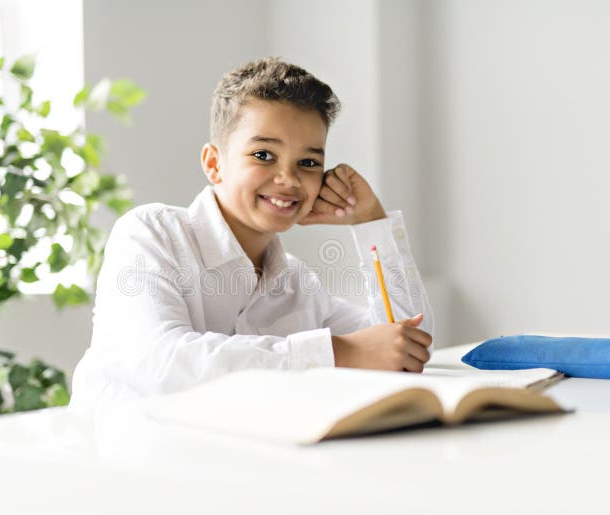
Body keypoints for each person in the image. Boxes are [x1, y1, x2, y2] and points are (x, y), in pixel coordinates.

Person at [71, 58, 434, 406]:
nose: (289, 179)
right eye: (263, 155)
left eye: (308, 163)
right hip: (116, 459)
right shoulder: (151, 234)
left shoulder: (296, 284)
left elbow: (407, 342)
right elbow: (164, 365)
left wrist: (370, 222)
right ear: (214, 164)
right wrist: (337, 352)